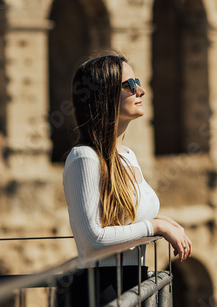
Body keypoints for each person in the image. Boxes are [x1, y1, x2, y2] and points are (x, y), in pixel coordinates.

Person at [58, 52, 192, 306]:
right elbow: (92, 240)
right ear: (104, 95)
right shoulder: (84, 158)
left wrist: (160, 221)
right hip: (102, 291)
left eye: (137, 82)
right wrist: (157, 228)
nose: (140, 90)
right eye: (129, 85)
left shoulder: (127, 156)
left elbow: (124, 220)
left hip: (134, 285)